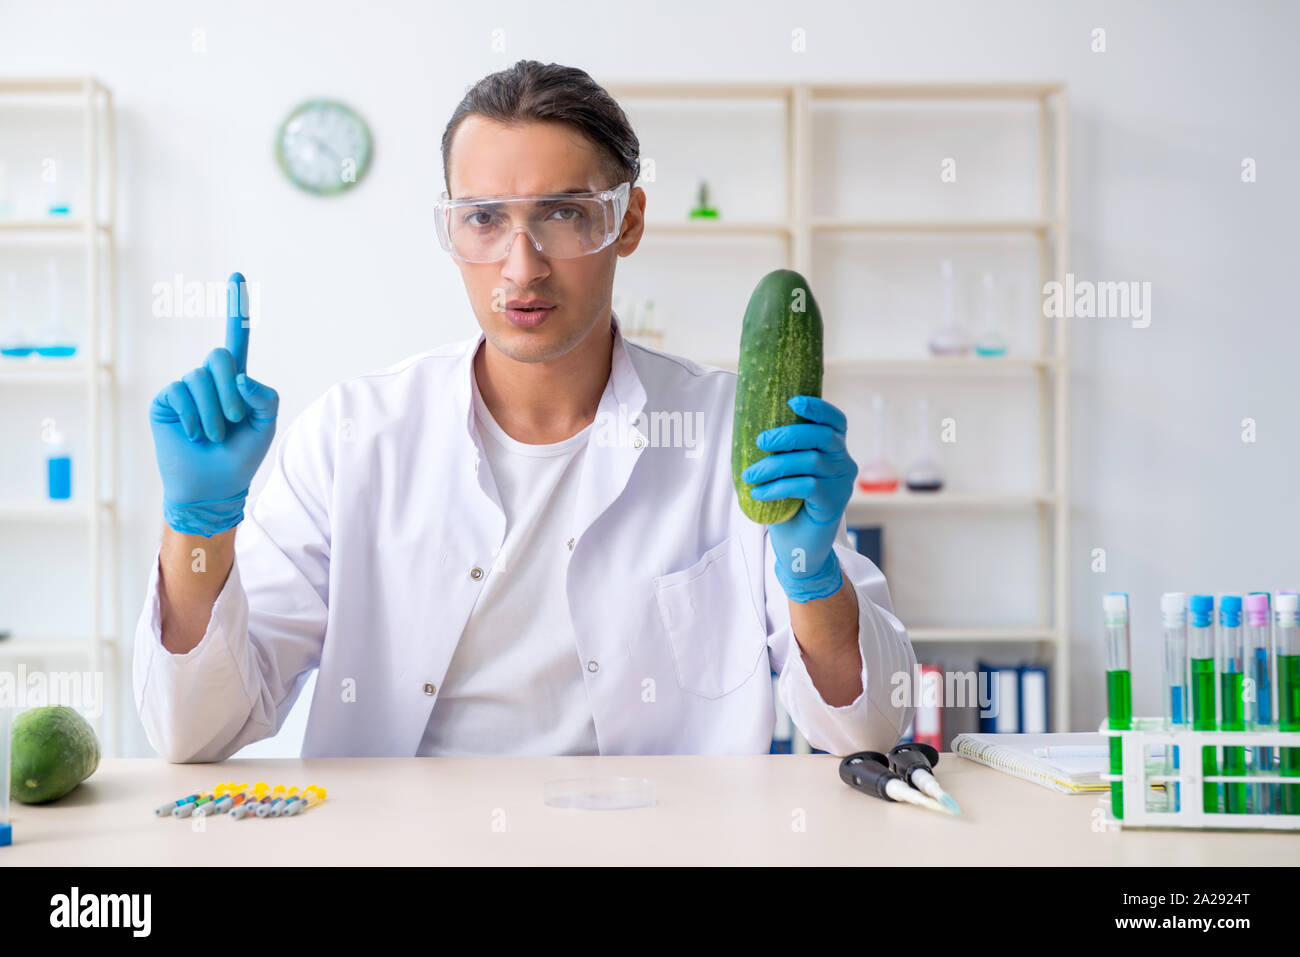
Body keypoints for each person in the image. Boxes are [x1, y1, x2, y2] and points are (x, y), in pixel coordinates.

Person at [136, 60, 915, 761]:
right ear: (451, 228)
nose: (522, 266)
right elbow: (194, 731)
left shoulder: (729, 436)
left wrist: (812, 572)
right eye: (484, 218)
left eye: (563, 214)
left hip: (656, 842)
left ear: (627, 221)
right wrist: (198, 530)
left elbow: (868, 730)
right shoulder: (354, 435)